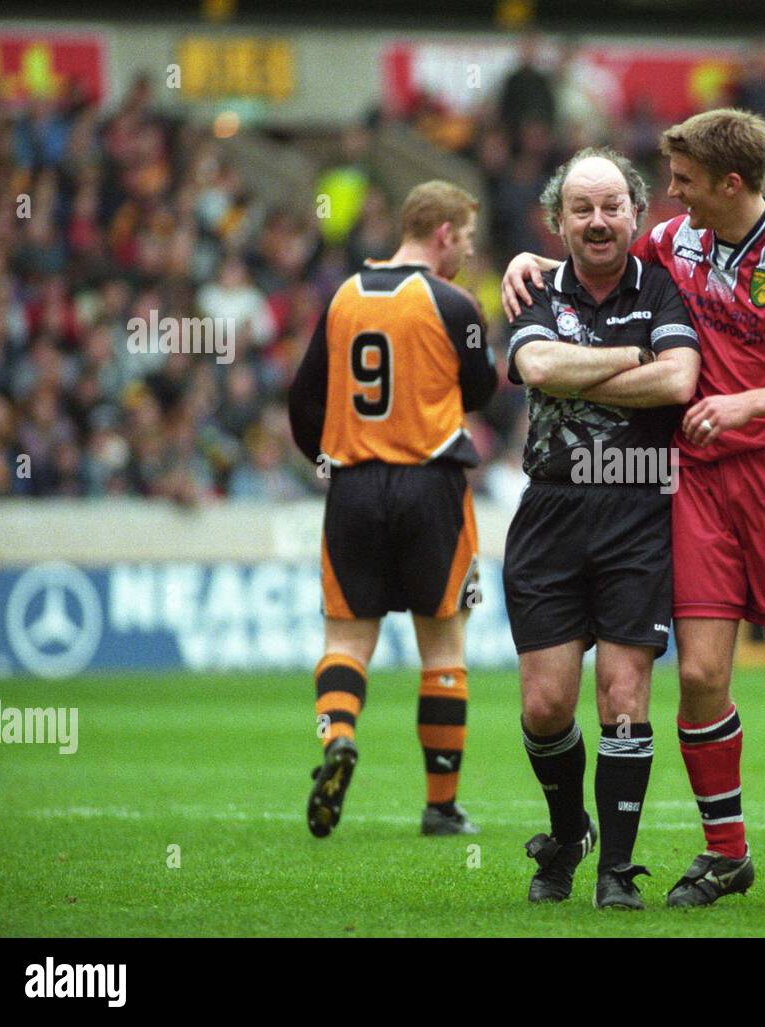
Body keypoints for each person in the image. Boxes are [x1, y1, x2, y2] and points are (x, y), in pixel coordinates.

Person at [502, 109, 765, 909]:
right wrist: (530, 259)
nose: (668, 195)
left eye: (682, 181)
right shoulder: (676, 242)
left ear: (730, 183)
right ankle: (727, 852)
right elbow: (596, 261)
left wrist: (751, 405)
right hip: (696, 483)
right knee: (696, 673)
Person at [505, 148, 699, 909]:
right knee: (546, 706)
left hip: (638, 507)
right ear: (557, 221)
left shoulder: (663, 288)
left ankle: (616, 869)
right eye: (581, 208)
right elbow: (537, 371)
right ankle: (568, 832)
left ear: (635, 214)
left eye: (612, 205)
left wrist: (578, 360)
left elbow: (680, 381)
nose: (597, 221)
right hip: (551, 511)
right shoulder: (530, 286)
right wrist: (630, 358)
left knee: (625, 692)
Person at [288, 180, 497, 840]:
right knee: (442, 643)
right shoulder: (453, 302)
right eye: (464, 238)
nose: (466, 249)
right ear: (442, 234)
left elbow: (302, 400)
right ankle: (440, 805)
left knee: (348, 638)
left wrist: (330, 456)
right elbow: (484, 390)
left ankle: (339, 738)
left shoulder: (342, 297)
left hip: (352, 486)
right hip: (430, 484)